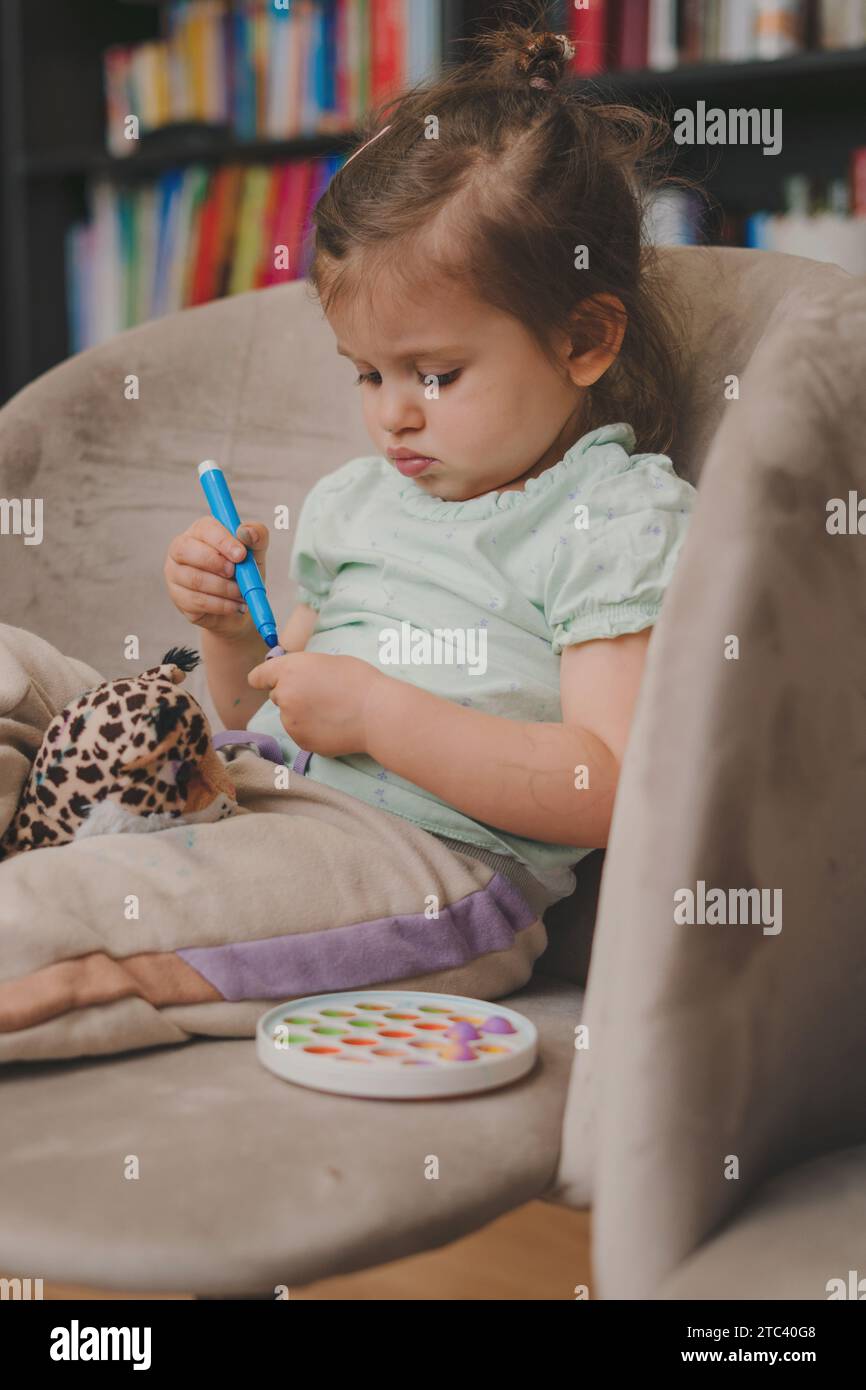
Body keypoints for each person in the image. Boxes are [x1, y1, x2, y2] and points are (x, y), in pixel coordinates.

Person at [164, 24, 698, 929]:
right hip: (265, 802)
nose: (393, 415)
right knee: (26, 679)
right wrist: (227, 633)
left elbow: (608, 785)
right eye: (368, 373)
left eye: (436, 375)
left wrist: (379, 718)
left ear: (583, 340)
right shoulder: (356, 502)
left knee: (86, 900)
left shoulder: (612, 518)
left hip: (420, 874)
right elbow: (264, 707)